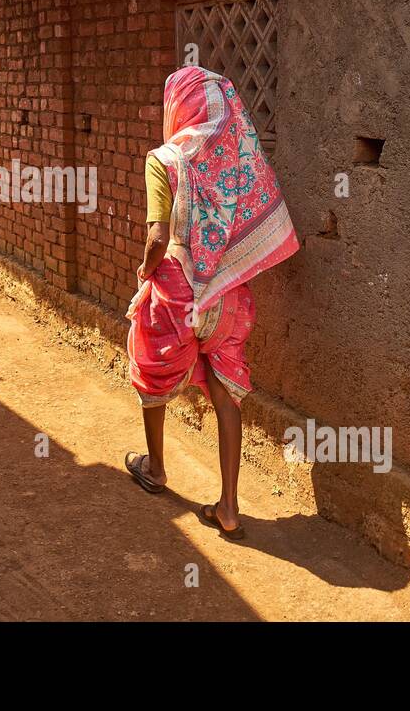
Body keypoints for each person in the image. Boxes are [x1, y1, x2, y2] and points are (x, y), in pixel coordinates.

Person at [124, 66, 299, 539]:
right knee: (225, 395)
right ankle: (228, 506)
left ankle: (156, 468)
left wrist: (146, 268)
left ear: (178, 106)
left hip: (178, 293)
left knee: (152, 372)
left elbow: (159, 235)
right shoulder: (234, 159)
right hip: (228, 297)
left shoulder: (162, 161)